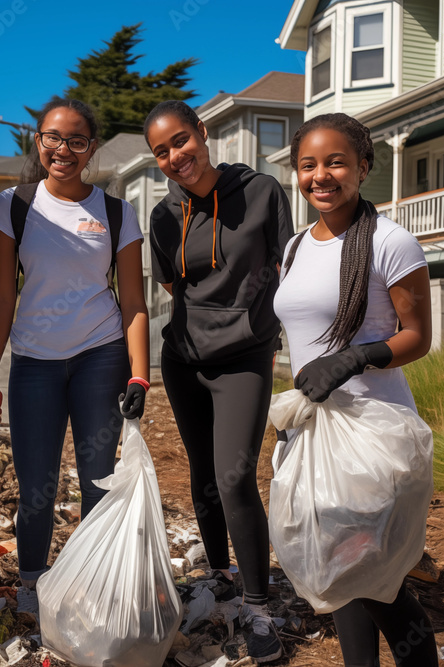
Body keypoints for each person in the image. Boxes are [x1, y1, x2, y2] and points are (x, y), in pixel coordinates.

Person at [272, 112, 438, 666]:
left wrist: (356, 357)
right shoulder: (296, 248)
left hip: (373, 435)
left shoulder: (392, 242)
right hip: (314, 435)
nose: (321, 175)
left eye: (337, 162)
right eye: (308, 164)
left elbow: (417, 336)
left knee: (379, 585)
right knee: (338, 574)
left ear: (364, 167)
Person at [0, 98, 149, 611]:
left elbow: (134, 301)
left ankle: (94, 582)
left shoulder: (116, 211)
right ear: (38, 140)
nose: (64, 149)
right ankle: (31, 584)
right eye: (54, 137)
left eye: (77, 141)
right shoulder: (14, 205)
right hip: (34, 362)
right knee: (36, 485)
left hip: (101, 355)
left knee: (98, 480)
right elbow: (2, 295)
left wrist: (139, 376)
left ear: (91, 148)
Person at [144, 100, 294, 663]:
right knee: (202, 475)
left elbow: (288, 269)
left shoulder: (262, 192)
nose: (175, 157)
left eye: (181, 141)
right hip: (182, 360)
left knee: (234, 478)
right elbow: (173, 287)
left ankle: (260, 604)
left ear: (203, 134)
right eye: (161, 151)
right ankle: (220, 571)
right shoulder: (163, 217)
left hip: (245, 358)